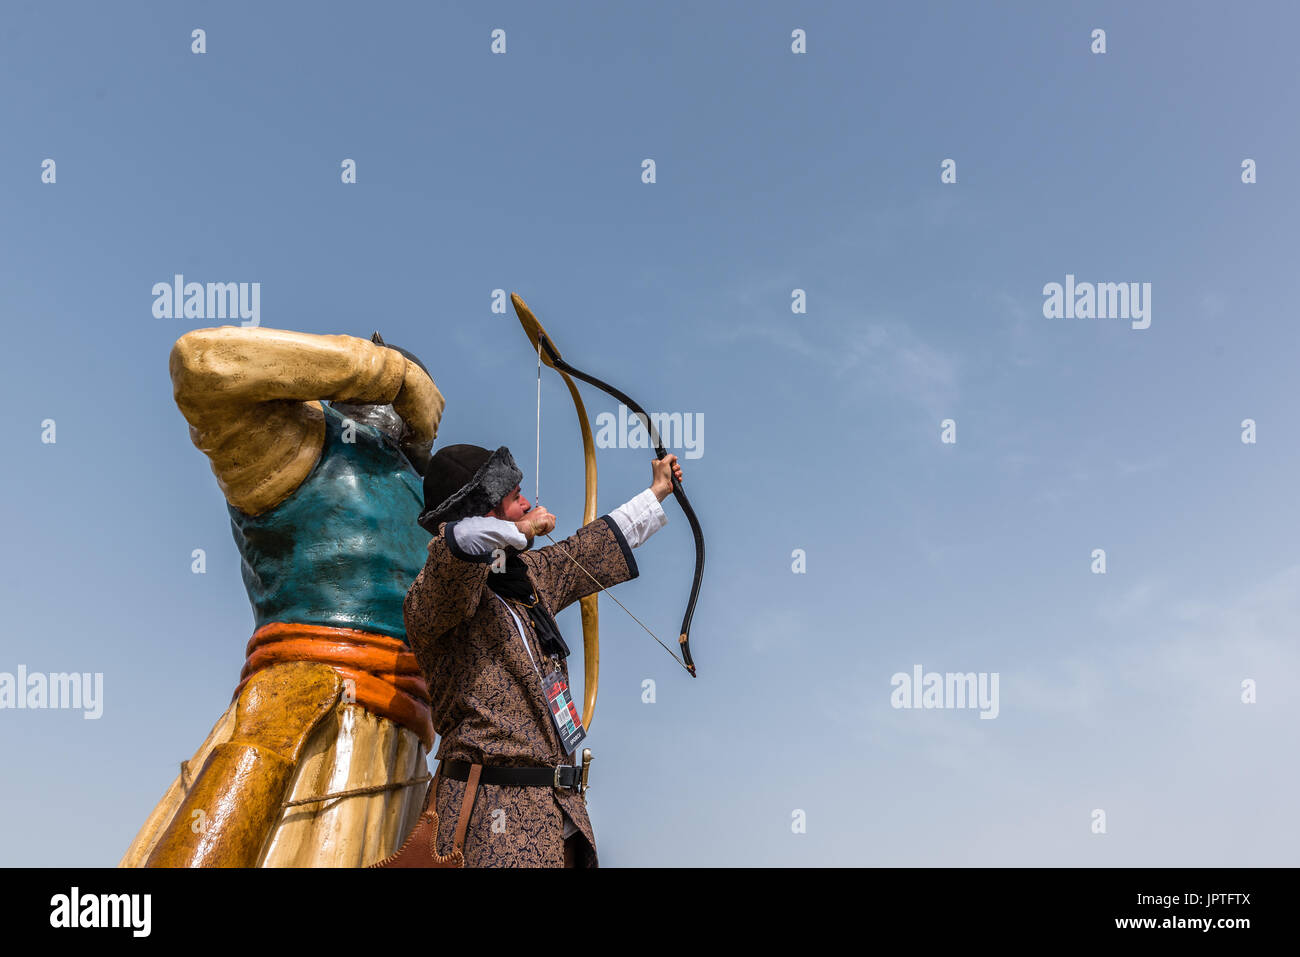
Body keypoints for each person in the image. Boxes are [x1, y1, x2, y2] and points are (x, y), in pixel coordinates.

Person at [121, 326, 445, 868]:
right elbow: (200, 363)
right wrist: (393, 373)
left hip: (409, 753)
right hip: (302, 721)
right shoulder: (299, 440)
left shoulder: (431, 502)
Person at [404, 443, 682, 867]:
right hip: (488, 820)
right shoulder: (437, 593)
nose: (529, 503)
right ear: (486, 511)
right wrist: (526, 529)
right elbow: (459, 542)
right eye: (515, 496)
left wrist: (658, 491)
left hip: (559, 816)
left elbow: (594, 545)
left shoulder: (527, 575)